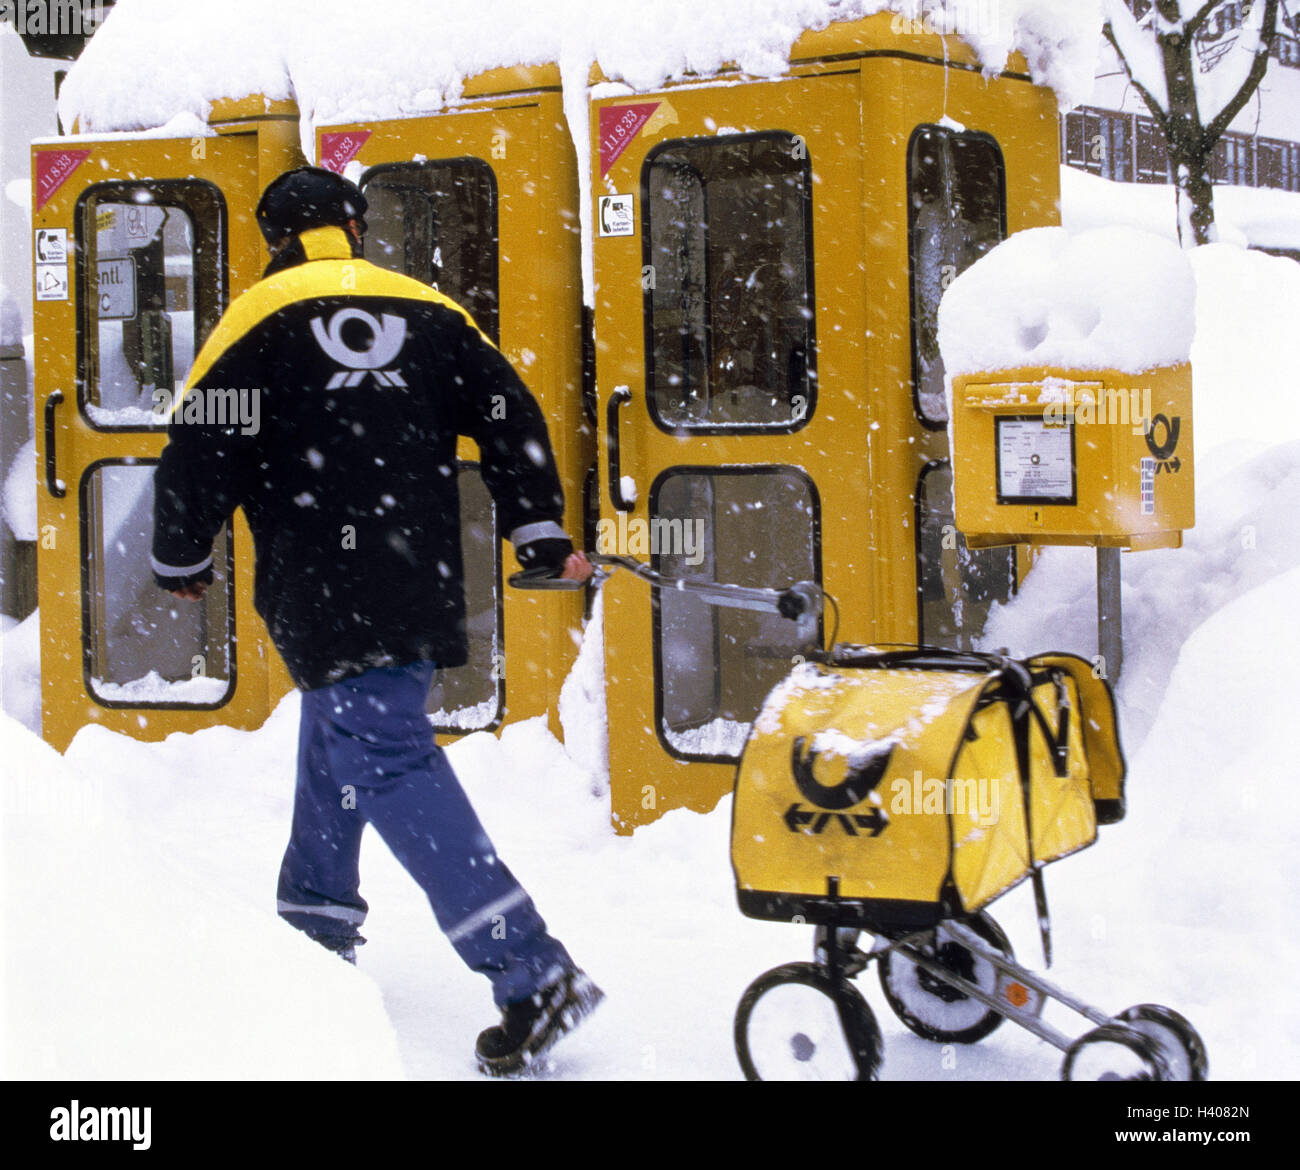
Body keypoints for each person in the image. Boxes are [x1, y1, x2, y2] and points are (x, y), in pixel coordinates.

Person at [150, 165, 602, 1077]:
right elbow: (509, 412)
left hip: (321, 580)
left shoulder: (256, 318)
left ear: (275, 237)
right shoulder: (430, 311)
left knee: (382, 754)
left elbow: (201, 443)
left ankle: (531, 969)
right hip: (413, 570)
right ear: (355, 229)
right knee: (342, 735)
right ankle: (314, 928)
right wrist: (540, 530)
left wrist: (182, 555)